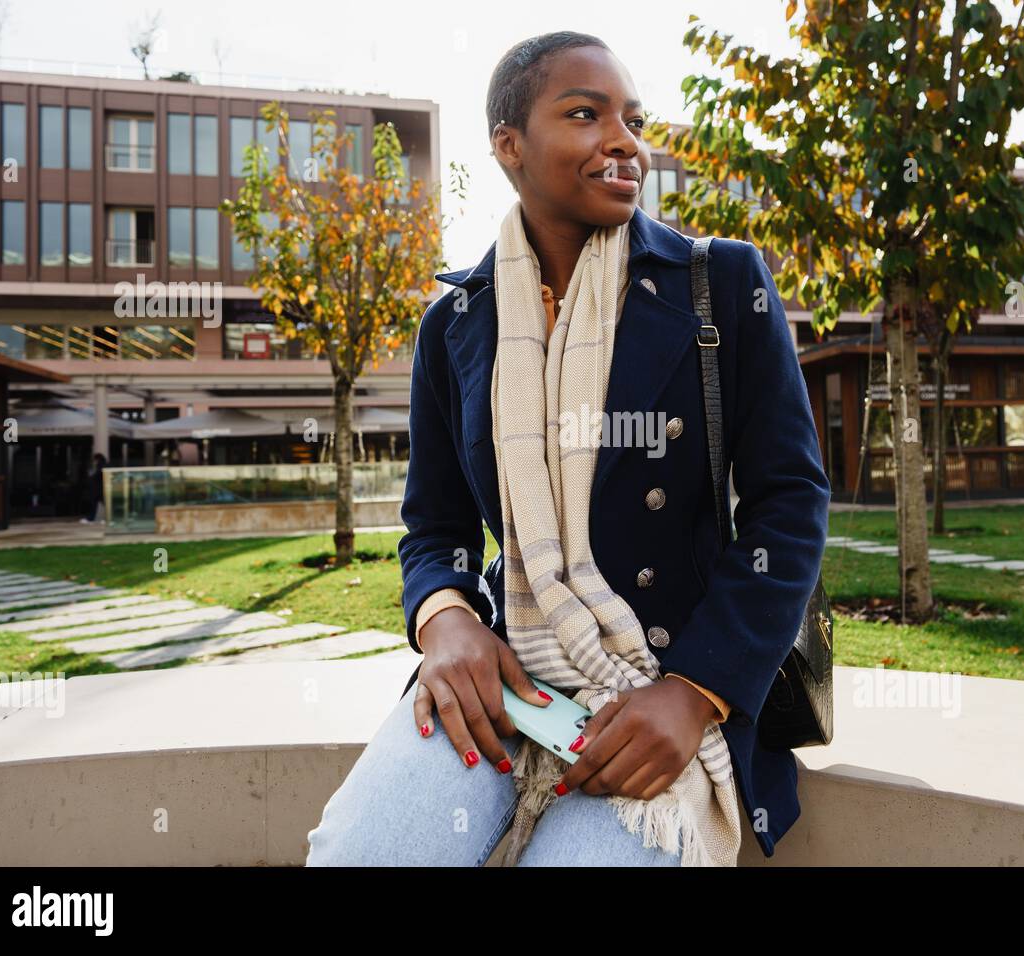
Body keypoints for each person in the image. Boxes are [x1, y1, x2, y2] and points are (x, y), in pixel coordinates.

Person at [305, 32, 831, 867]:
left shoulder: (720, 283)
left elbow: (790, 502)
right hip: (505, 682)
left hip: (656, 688)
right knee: (362, 854)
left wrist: (696, 692)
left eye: (632, 118)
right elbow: (435, 525)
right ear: (509, 145)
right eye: (585, 114)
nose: (625, 139)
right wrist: (444, 621)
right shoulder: (454, 324)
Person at [81, 453, 107, 524]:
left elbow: (97, 476)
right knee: (102, 504)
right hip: (99, 489)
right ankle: (92, 518)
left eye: (94, 460)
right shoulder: (102, 465)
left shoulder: (100, 466)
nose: (94, 462)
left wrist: (91, 477)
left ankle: (91, 518)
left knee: (95, 504)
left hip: (98, 489)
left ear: (97, 459)